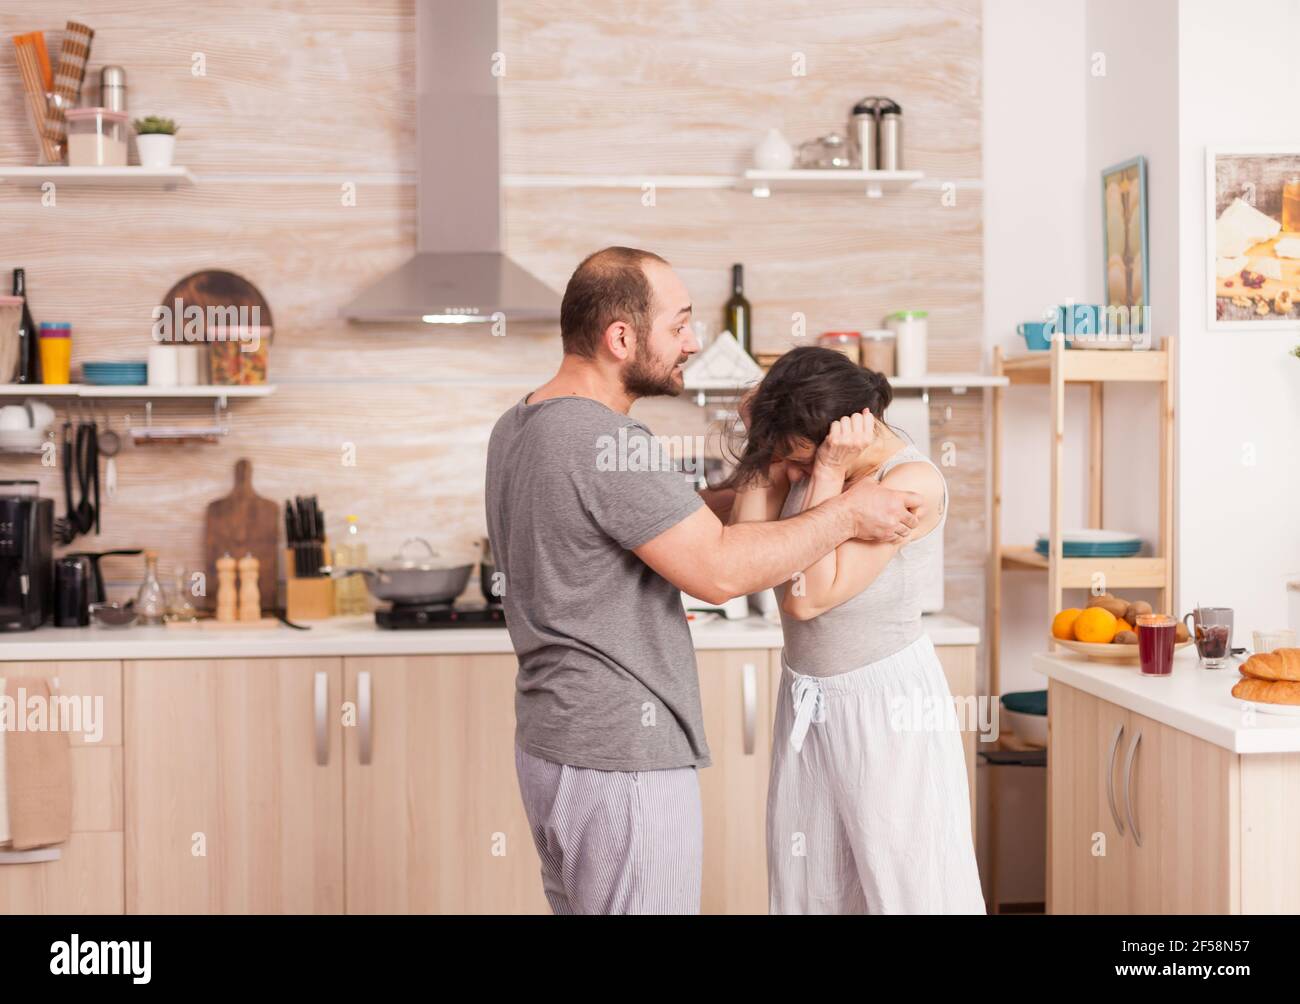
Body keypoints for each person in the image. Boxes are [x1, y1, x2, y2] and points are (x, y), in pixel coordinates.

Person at [484, 247, 923, 914]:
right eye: (680, 324)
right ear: (621, 338)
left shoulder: (520, 424)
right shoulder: (608, 442)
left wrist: (764, 461)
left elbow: (672, 521)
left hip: (554, 748)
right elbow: (718, 570)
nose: (694, 343)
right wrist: (848, 510)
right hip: (620, 758)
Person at [725, 346, 985, 914]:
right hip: (808, 698)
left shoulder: (910, 482)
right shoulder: (808, 458)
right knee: (812, 889)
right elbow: (748, 552)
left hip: (885, 705)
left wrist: (826, 472)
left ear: (842, 436)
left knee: (908, 888)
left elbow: (807, 598)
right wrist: (763, 446)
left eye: (798, 460)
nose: (787, 473)